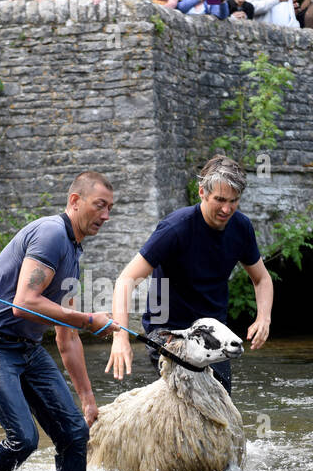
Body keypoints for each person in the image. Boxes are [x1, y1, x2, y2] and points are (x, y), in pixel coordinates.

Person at [0, 173, 116, 471]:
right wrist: (89, 320)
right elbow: (24, 303)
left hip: (26, 348)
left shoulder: (73, 253)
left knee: (74, 433)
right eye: (100, 206)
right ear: (75, 201)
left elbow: (66, 336)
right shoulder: (51, 234)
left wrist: (87, 399)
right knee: (24, 439)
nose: (106, 216)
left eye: (110, 208)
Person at [106, 156, 271, 394]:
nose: (227, 209)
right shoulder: (176, 228)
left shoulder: (241, 227)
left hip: (214, 330)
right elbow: (126, 280)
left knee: (218, 401)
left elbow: (262, 279)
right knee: (189, 400)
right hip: (167, 331)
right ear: (202, 192)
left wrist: (263, 317)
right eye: (220, 200)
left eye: (234, 201)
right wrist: (120, 338)